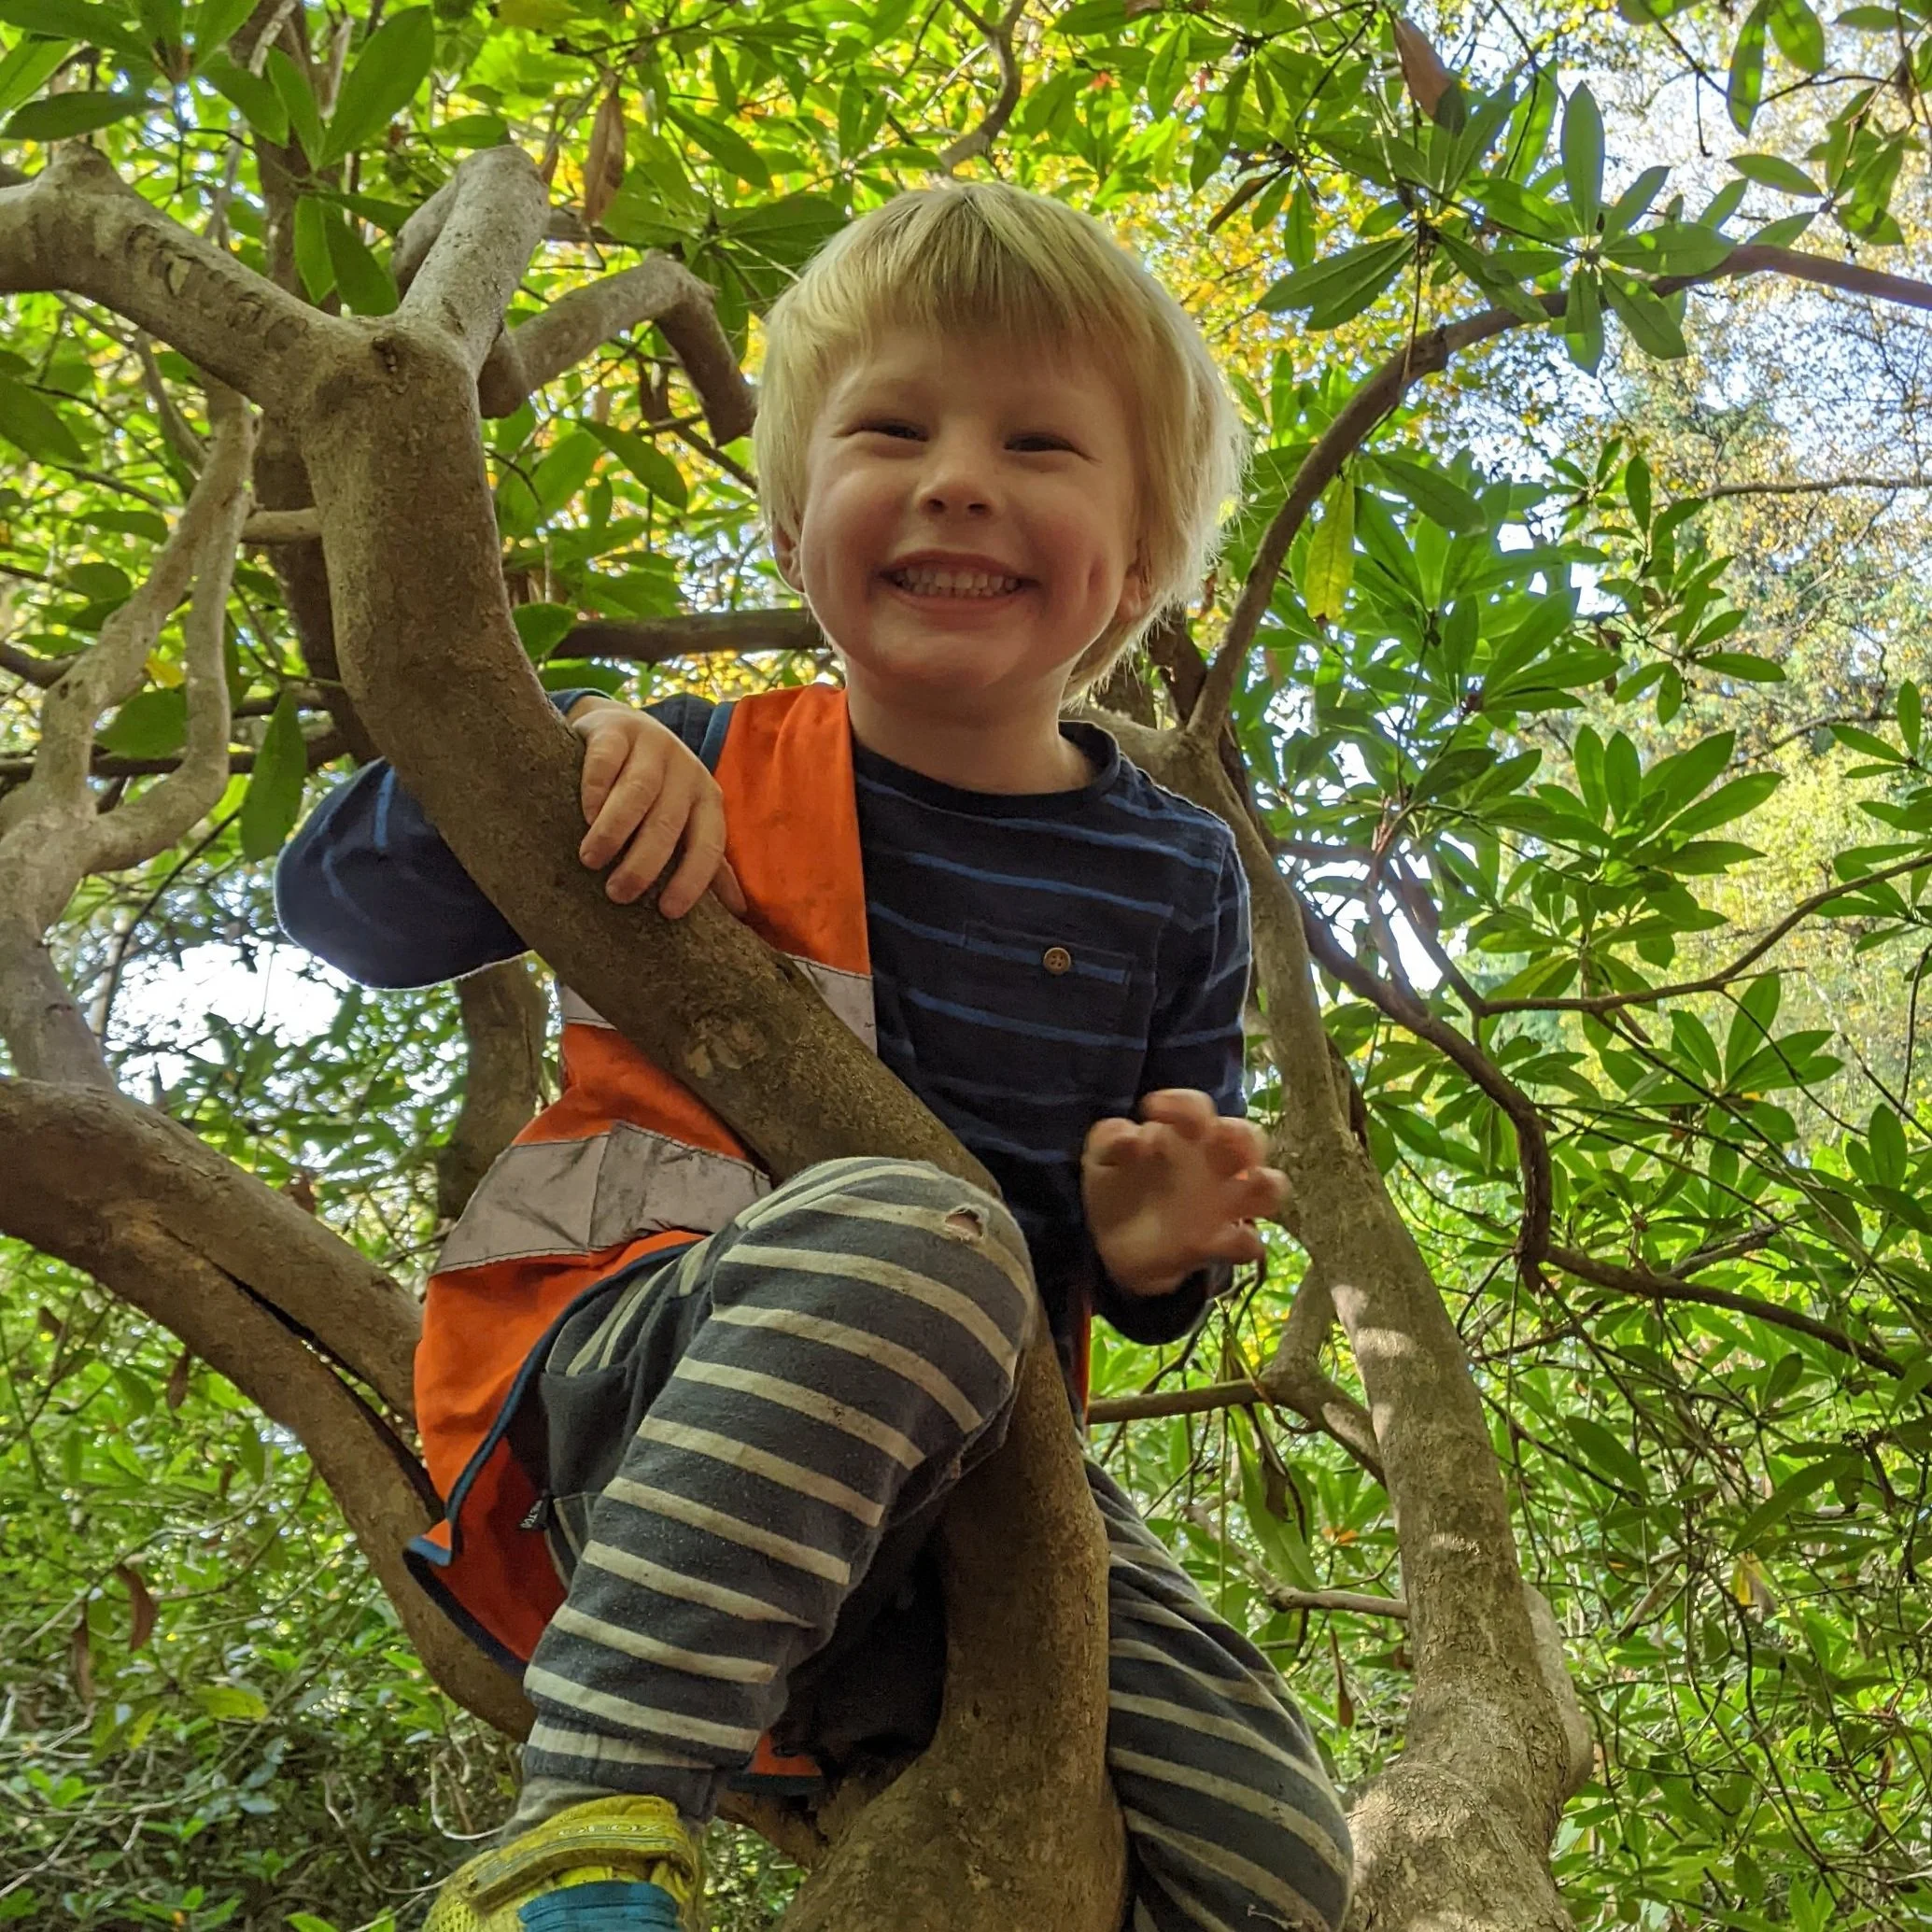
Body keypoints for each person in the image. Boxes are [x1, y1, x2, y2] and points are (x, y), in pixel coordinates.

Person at [276, 180, 1352, 1932]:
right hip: (638, 1401)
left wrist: (1158, 1256)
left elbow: (1151, 1233)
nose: (957, 476)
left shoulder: (1177, 877)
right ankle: (588, 1843)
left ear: (1143, 567)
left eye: (1039, 443)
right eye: (893, 428)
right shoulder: (685, 759)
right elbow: (341, 907)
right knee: (928, 1242)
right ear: (793, 523)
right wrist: (571, 755)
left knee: (1276, 1851)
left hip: (961, 1496)